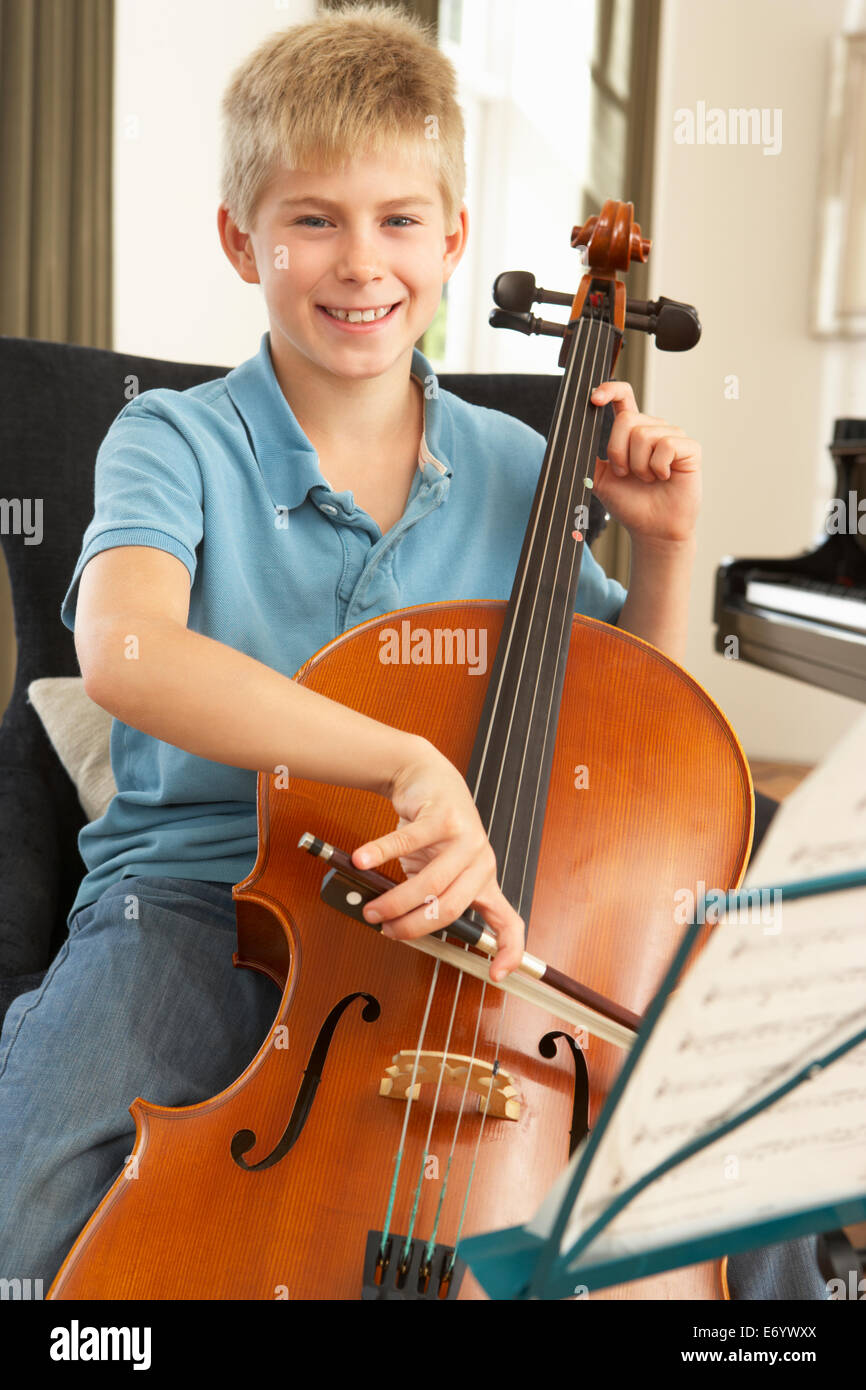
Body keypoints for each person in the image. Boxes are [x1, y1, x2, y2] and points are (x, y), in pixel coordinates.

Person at [0, 1, 825, 1299]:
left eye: (396, 220)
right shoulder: (171, 439)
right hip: (199, 900)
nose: (357, 261)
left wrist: (662, 551)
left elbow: (625, 744)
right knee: (29, 1174)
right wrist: (401, 761)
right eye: (311, 219)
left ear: (450, 238)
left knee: (745, 1175)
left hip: (470, 922)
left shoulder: (515, 467)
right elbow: (125, 649)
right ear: (240, 239)